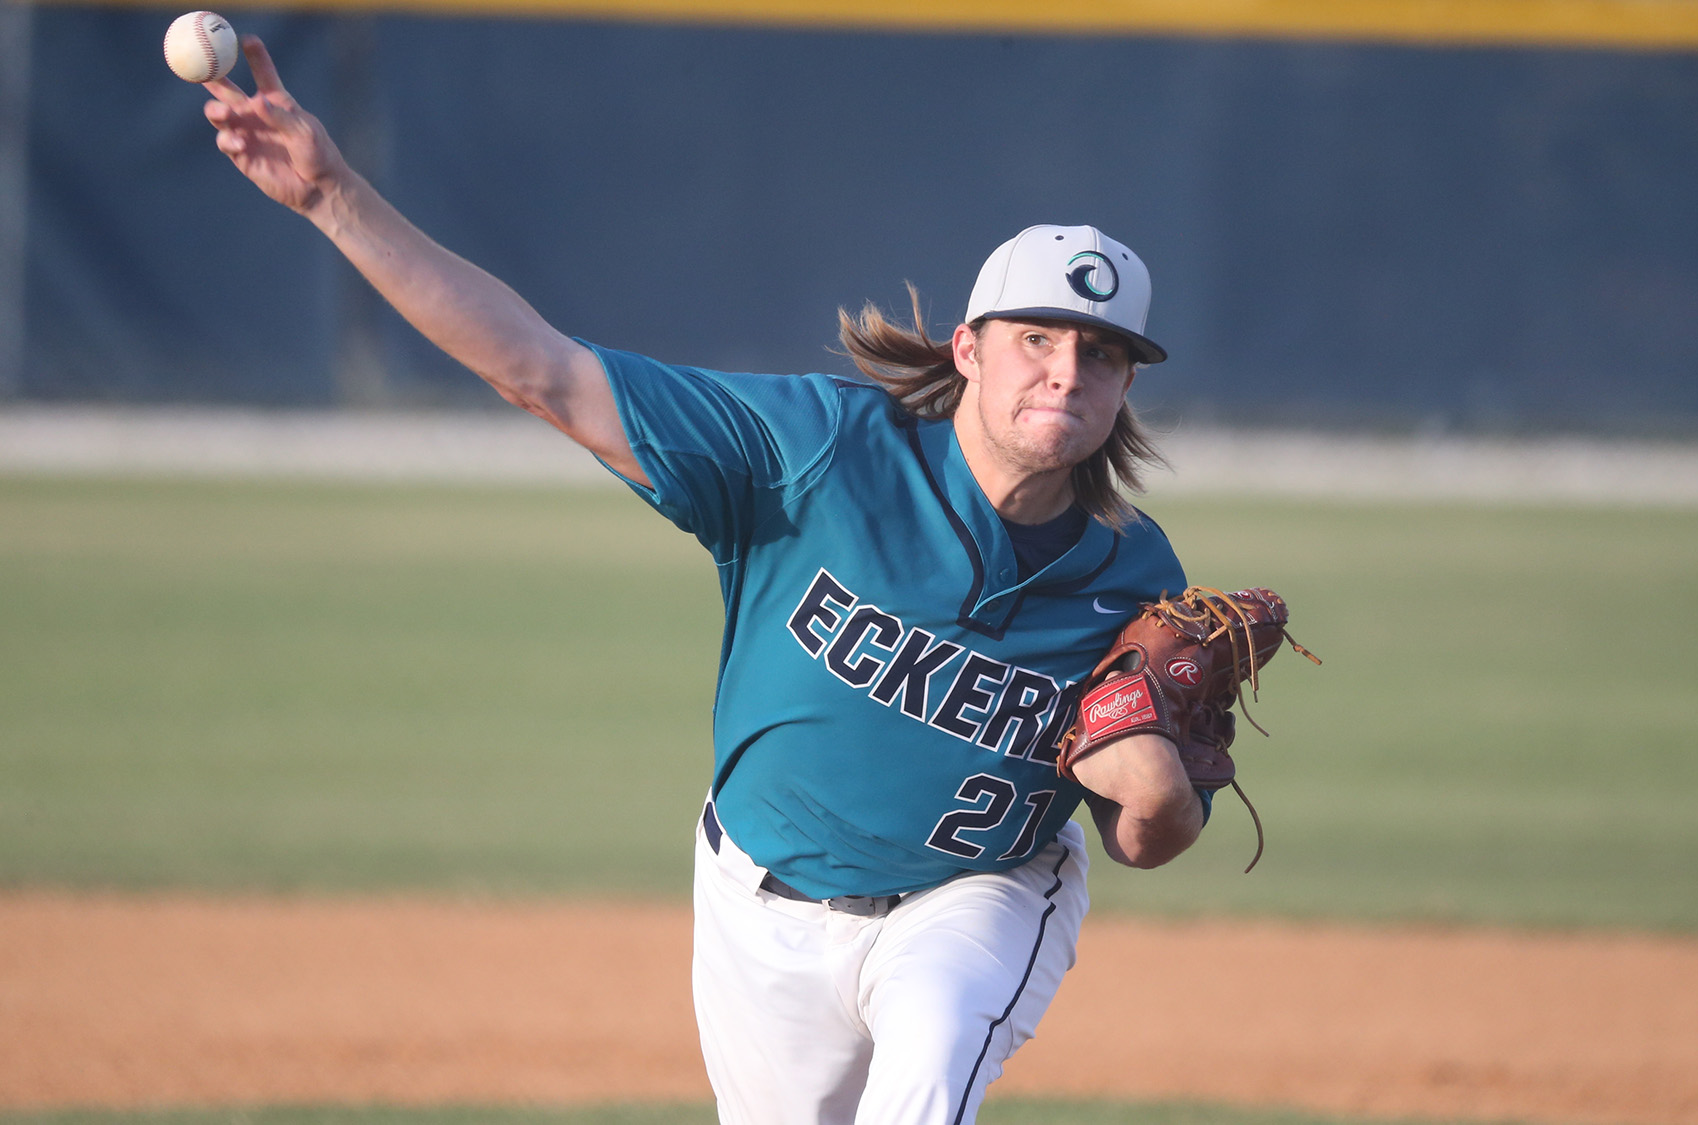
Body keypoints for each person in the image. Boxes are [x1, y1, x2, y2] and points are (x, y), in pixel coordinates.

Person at [202, 37, 1209, 1124]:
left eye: (1101, 354)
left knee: (931, 1055)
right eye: (1038, 337)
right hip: (757, 901)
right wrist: (334, 197)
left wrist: (1156, 796)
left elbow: (1145, 837)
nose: (1066, 369)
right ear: (967, 349)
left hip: (977, 900)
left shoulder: (1137, 578)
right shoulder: (816, 453)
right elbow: (541, 371)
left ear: (1124, 387)